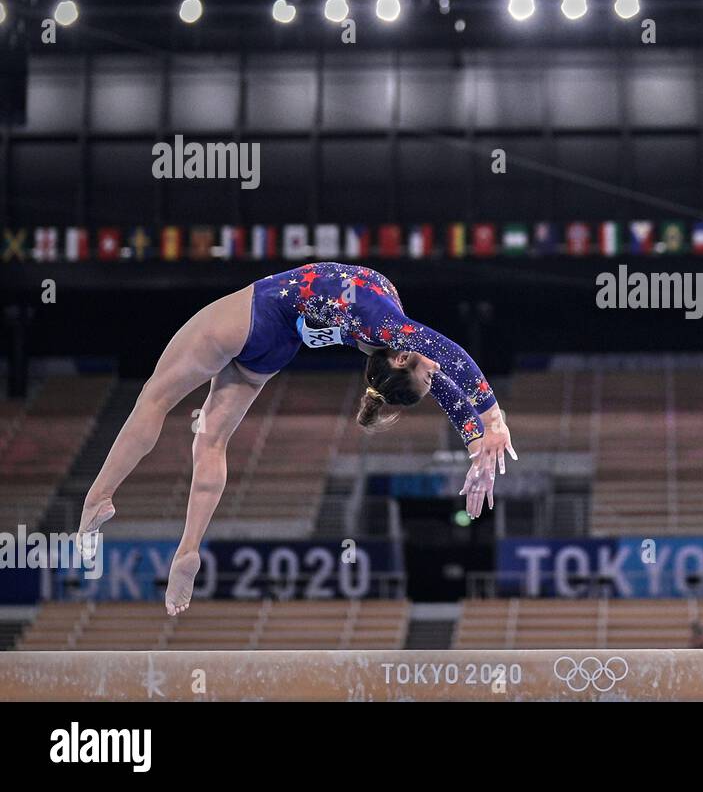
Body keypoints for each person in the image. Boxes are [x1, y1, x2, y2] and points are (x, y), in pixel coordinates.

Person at [75, 262, 516, 616]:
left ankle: (99, 496)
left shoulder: (387, 325)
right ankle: (188, 549)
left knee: (153, 399)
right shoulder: (387, 337)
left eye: (423, 371)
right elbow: (437, 372)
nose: (434, 372)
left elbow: (449, 355)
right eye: (427, 375)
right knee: (210, 442)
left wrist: (491, 422)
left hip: (255, 315)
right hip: (279, 347)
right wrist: (475, 443)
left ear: (401, 357)